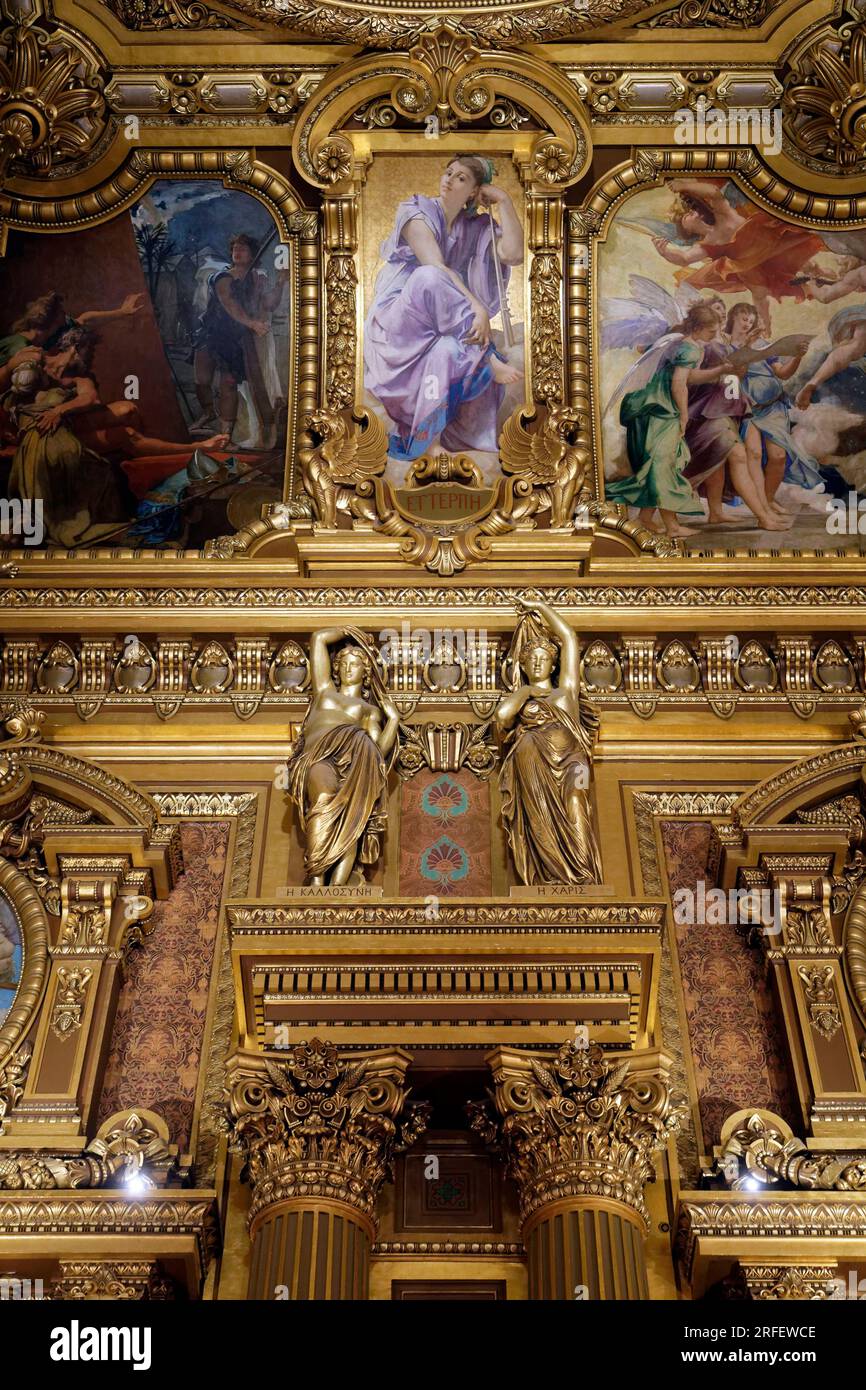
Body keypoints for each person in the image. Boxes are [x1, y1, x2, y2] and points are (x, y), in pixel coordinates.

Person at [364, 156, 523, 462]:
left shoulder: (475, 227)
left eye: (462, 178)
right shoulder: (415, 211)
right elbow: (434, 266)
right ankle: (486, 357)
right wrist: (476, 306)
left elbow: (514, 254)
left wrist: (503, 200)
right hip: (397, 323)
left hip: (442, 326)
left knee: (447, 350)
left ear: (476, 192)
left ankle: (429, 441)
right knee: (429, 276)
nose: (449, 179)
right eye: (449, 172)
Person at [606, 304, 756, 537]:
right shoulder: (689, 349)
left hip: (650, 409)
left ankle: (644, 518)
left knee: (659, 463)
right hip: (660, 411)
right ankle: (672, 527)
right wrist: (684, 416)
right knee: (663, 465)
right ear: (696, 328)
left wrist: (718, 370)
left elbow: (690, 377)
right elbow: (680, 385)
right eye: (709, 332)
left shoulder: (680, 342)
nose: (713, 337)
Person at [495, 597, 602, 886]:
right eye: (532, 659)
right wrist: (527, 690)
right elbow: (503, 715)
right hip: (532, 761)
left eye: (544, 658)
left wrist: (541, 608)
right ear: (524, 665)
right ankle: (554, 876)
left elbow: (569, 637)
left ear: (554, 663)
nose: (539, 662)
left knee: (576, 801)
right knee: (539, 815)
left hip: (571, 762)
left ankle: (582, 874)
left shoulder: (566, 691)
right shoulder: (525, 695)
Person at [285, 627, 400, 886]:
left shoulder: (369, 710)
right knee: (324, 797)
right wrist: (348, 629)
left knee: (352, 817)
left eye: (356, 664)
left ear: (365, 671)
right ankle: (316, 879)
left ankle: (336, 888)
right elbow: (318, 638)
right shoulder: (324, 691)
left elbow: (378, 751)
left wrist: (393, 720)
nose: (349, 669)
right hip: (319, 756)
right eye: (344, 664)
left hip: (357, 762)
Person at [650, 178, 823, 333]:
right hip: (749, 263)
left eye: (689, 210)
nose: (690, 212)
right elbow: (684, 259)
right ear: (687, 230)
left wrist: (685, 185)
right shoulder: (707, 244)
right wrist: (665, 253)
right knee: (759, 292)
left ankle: (824, 275)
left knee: (803, 260)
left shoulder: (722, 215)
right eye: (685, 216)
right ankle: (765, 329)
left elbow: (714, 192)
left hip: (767, 241)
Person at [724, 302, 821, 509]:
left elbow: (782, 373)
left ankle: (767, 500)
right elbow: (733, 376)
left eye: (751, 321)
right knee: (754, 454)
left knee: (778, 456)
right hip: (748, 409)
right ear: (732, 317)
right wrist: (747, 349)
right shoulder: (724, 346)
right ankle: (761, 507)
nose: (747, 324)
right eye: (743, 319)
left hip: (773, 408)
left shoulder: (764, 345)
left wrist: (797, 356)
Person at [191, 233, 286, 443]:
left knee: (229, 384)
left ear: (252, 254)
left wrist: (280, 283)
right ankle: (208, 412)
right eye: (235, 248)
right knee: (202, 380)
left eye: (243, 248)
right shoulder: (222, 277)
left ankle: (224, 437)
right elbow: (229, 303)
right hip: (212, 334)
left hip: (234, 339)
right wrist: (252, 323)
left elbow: (269, 304)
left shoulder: (256, 279)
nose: (238, 251)